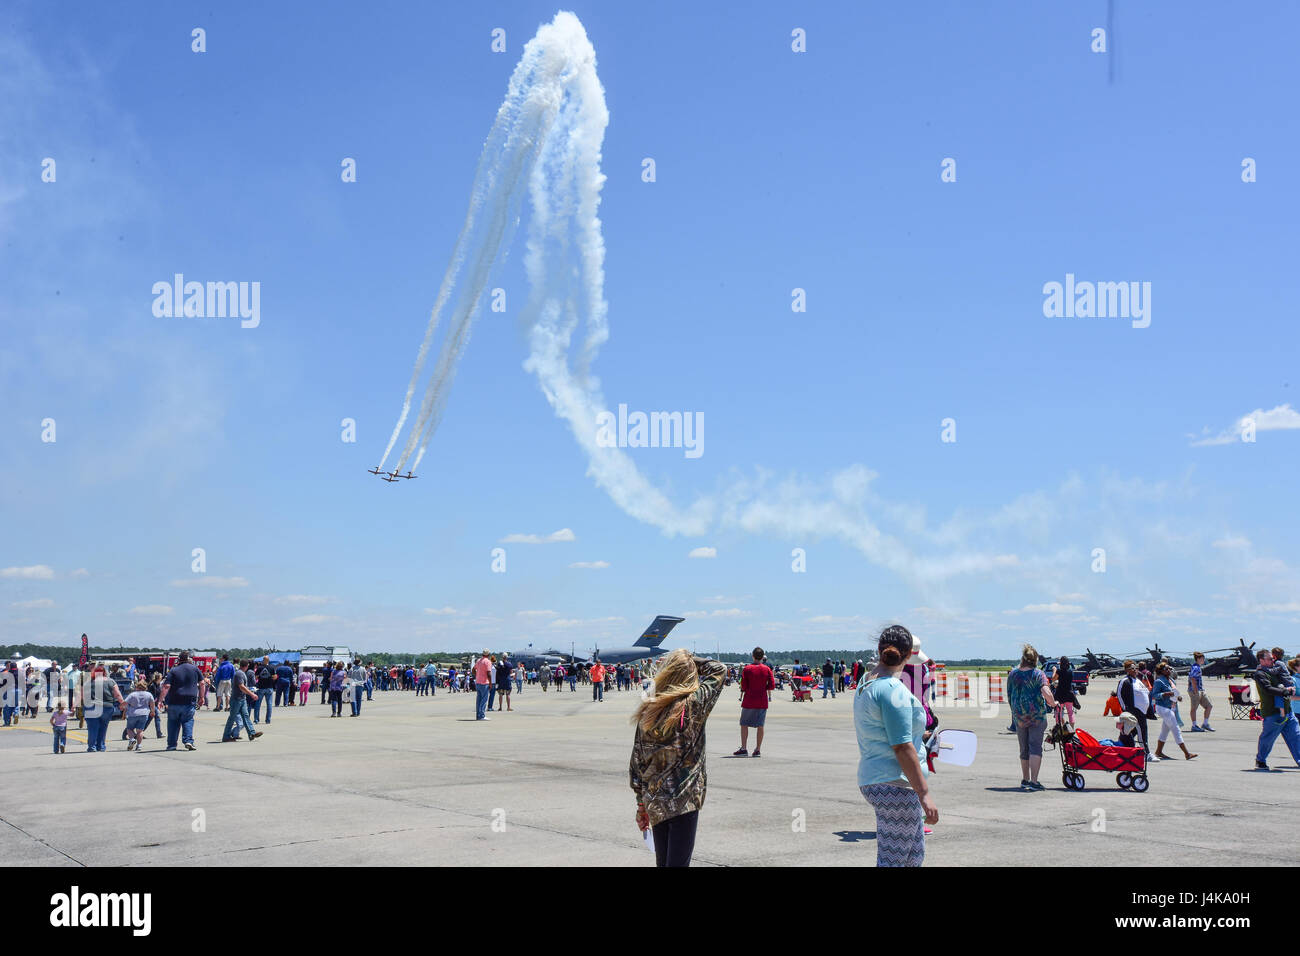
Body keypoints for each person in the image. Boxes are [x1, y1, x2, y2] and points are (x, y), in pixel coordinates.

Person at [629, 649, 726, 867]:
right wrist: (692, 660)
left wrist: (641, 805)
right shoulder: (694, 704)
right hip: (684, 802)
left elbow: (637, 762)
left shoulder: (649, 711)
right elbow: (719, 669)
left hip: (656, 800)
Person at [853, 625, 938, 867]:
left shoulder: (866, 682)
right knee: (894, 861)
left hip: (877, 778)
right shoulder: (892, 690)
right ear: (908, 655)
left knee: (912, 857)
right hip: (896, 784)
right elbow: (901, 747)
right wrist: (925, 795)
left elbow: (885, 730)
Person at [1007, 644, 1056, 790]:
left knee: (1024, 749)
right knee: (1035, 748)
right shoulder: (1037, 674)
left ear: (1023, 658)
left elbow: (1009, 694)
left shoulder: (1013, 674)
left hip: (1019, 716)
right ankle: (1034, 781)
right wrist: (1053, 703)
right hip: (1036, 716)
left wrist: (1015, 712)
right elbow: (1047, 692)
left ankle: (1025, 779)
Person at [1252, 648, 1299, 770]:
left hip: (1288, 711)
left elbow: (1287, 675)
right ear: (1261, 660)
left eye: (1273, 658)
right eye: (1269, 659)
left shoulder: (1276, 668)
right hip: (1273, 713)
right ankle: (1260, 760)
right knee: (1268, 739)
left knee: (1296, 736)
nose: (1273, 660)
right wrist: (1285, 691)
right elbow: (1267, 688)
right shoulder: (1260, 673)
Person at [734, 646, 775, 757]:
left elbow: (744, 686)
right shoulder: (767, 669)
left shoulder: (747, 669)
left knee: (744, 724)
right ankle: (757, 749)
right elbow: (772, 685)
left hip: (749, 700)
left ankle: (744, 748)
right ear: (762, 657)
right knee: (760, 726)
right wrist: (763, 688)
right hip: (762, 700)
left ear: (753, 656)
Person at [1152, 663, 1197, 760]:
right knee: (1176, 729)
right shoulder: (1159, 681)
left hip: (1171, 707)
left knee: (1165, 731)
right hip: (1163, 708)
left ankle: (1158, 752)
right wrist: (1166, 694)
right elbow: (1154, 695)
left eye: (1169, 669)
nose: (1169, 670)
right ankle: (1187, 753)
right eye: (1166, 669)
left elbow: (1175, 693)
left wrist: (1178, 697)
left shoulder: (1171, 680)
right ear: (1161, 671)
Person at [160, 651, 202, 752]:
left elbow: (166, 686)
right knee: (188, 720)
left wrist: (160, 700)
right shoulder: (195, 669)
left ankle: (172, 745)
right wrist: (201, 697)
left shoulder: (173, 670)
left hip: (174, 700)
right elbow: (202, 683)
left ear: (179, 659)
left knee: (173, 722)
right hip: (189, 700)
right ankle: (188, 741)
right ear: (188, 659)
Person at [1117, 660, 1155, 755]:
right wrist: (1126, 710)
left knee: (1129, 733)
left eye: (1136, 668)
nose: (1135, 670)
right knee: (1142, 732)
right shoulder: (1125, 681)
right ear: (1127, 670)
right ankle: (1146, 753)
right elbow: (1120, 696)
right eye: (1132, 669)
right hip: (1134, 712)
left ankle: (1121, 747)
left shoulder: (1138, 680)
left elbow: (1145, 693)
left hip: (1142, 712)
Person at [84, 666, 125, 752]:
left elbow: (81, 694)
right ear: (105, 672)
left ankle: (92, 747)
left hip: (92, 707)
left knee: (92, 727)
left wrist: (74, 707)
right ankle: (101, 746)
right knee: (103, 727)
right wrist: (122, 703)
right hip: (107, 707)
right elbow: (117, 694)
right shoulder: (111, 681)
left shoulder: (89, 682)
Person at [223, 661, 262, 741]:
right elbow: (241, 686)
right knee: (232, 718)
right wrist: (252, 694)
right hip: (236, 699)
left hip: (242, 699)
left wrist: (249, 690)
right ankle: (226, 736)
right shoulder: (239, 674)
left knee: (246, 716)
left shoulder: (242, 673)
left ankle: (251, 733)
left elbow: (243, 687)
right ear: (246, 666)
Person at [123, 679, 157, 753]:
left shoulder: (132, 694)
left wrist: (121, 707)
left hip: (133, 714)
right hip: (144, 714)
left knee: (129, 729)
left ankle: (132, 739)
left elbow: (125, 703)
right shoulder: (149, 694)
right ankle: (139, 746)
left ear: (137, 687)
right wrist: (152, 711)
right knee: (140, 730)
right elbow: (152, 704)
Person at [1185, 652, 1214, 731]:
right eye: (1202, 659)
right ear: (1198, 659)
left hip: (1200, 690)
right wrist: (1195, 690)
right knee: (1194, 708)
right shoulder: (1195, 667)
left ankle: (1205, 724)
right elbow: (1192, 678)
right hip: (1195, 691)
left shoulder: (1198, 667)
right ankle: (1194, 726)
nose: (1203, 660)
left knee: (1209, 706)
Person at [1053, 656, 1079, 726]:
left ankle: (1059, 728)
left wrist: (1054, 670)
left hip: (1060, 694)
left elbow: (1053, 679)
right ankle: (1072, 729)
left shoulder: (1059, 671)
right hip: (1069, 693)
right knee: (1070, 713)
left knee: (1059, 712)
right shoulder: (1070, 671)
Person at [253, 656, 276, 724]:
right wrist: (269, 678)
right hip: (269, 687)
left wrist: (261, 676)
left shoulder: (259, 668)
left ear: (263, 660)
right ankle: (268, 720)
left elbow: (256, 677)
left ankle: (256, 719)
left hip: (261, 687)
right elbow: (274, 677)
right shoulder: (271, 668)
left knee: (258, 704)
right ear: (268, 660)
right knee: (269, 704)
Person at [474, 649, 494, 720]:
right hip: (484, 683)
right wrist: (491, 683)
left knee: (478, 700)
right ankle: (482, 715)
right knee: (484, 700)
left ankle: (478, 715)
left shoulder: (479, 660)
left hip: (478, 682)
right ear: (488, 655)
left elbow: (473, 669)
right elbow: (489, 673)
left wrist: (477, 675)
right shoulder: (488, 662)